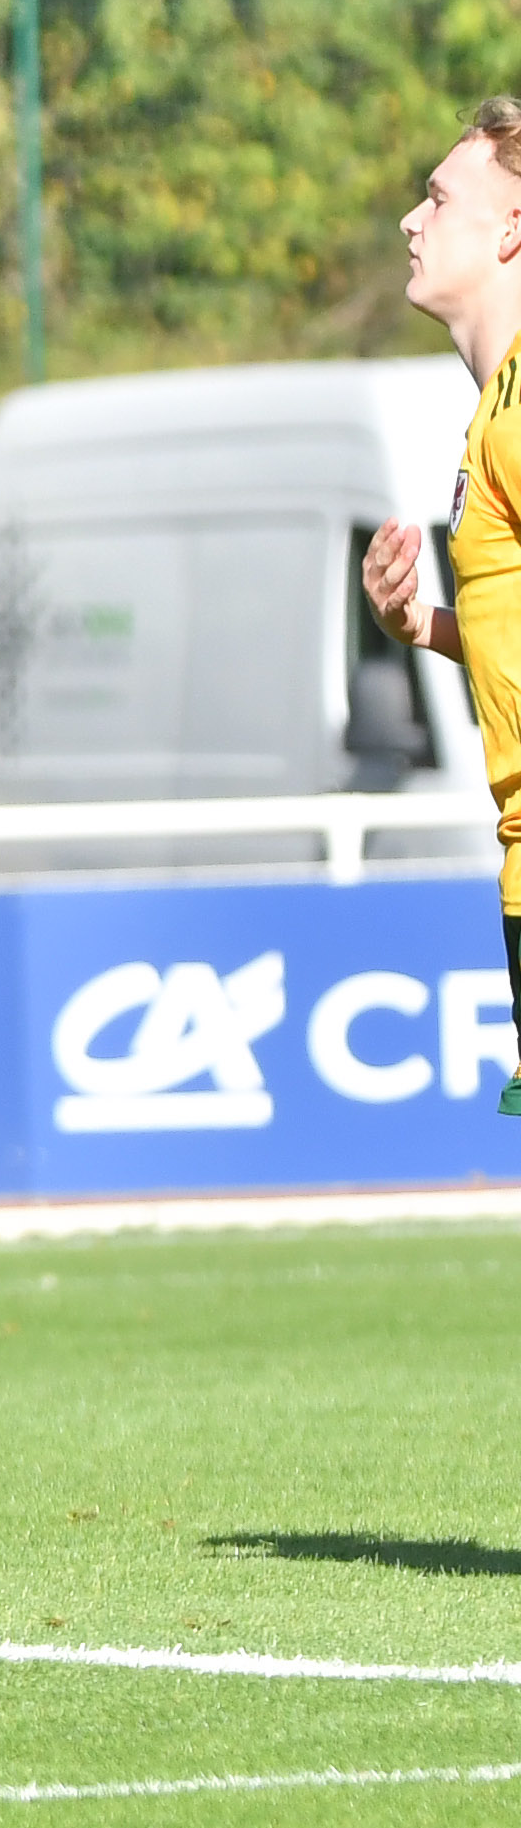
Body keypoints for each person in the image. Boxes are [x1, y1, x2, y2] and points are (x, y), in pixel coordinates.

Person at [365, 94, 521, 1104]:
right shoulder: (492, 413)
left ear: (512, 228)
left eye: (439, 197)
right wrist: (422, 624)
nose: (412, 221)